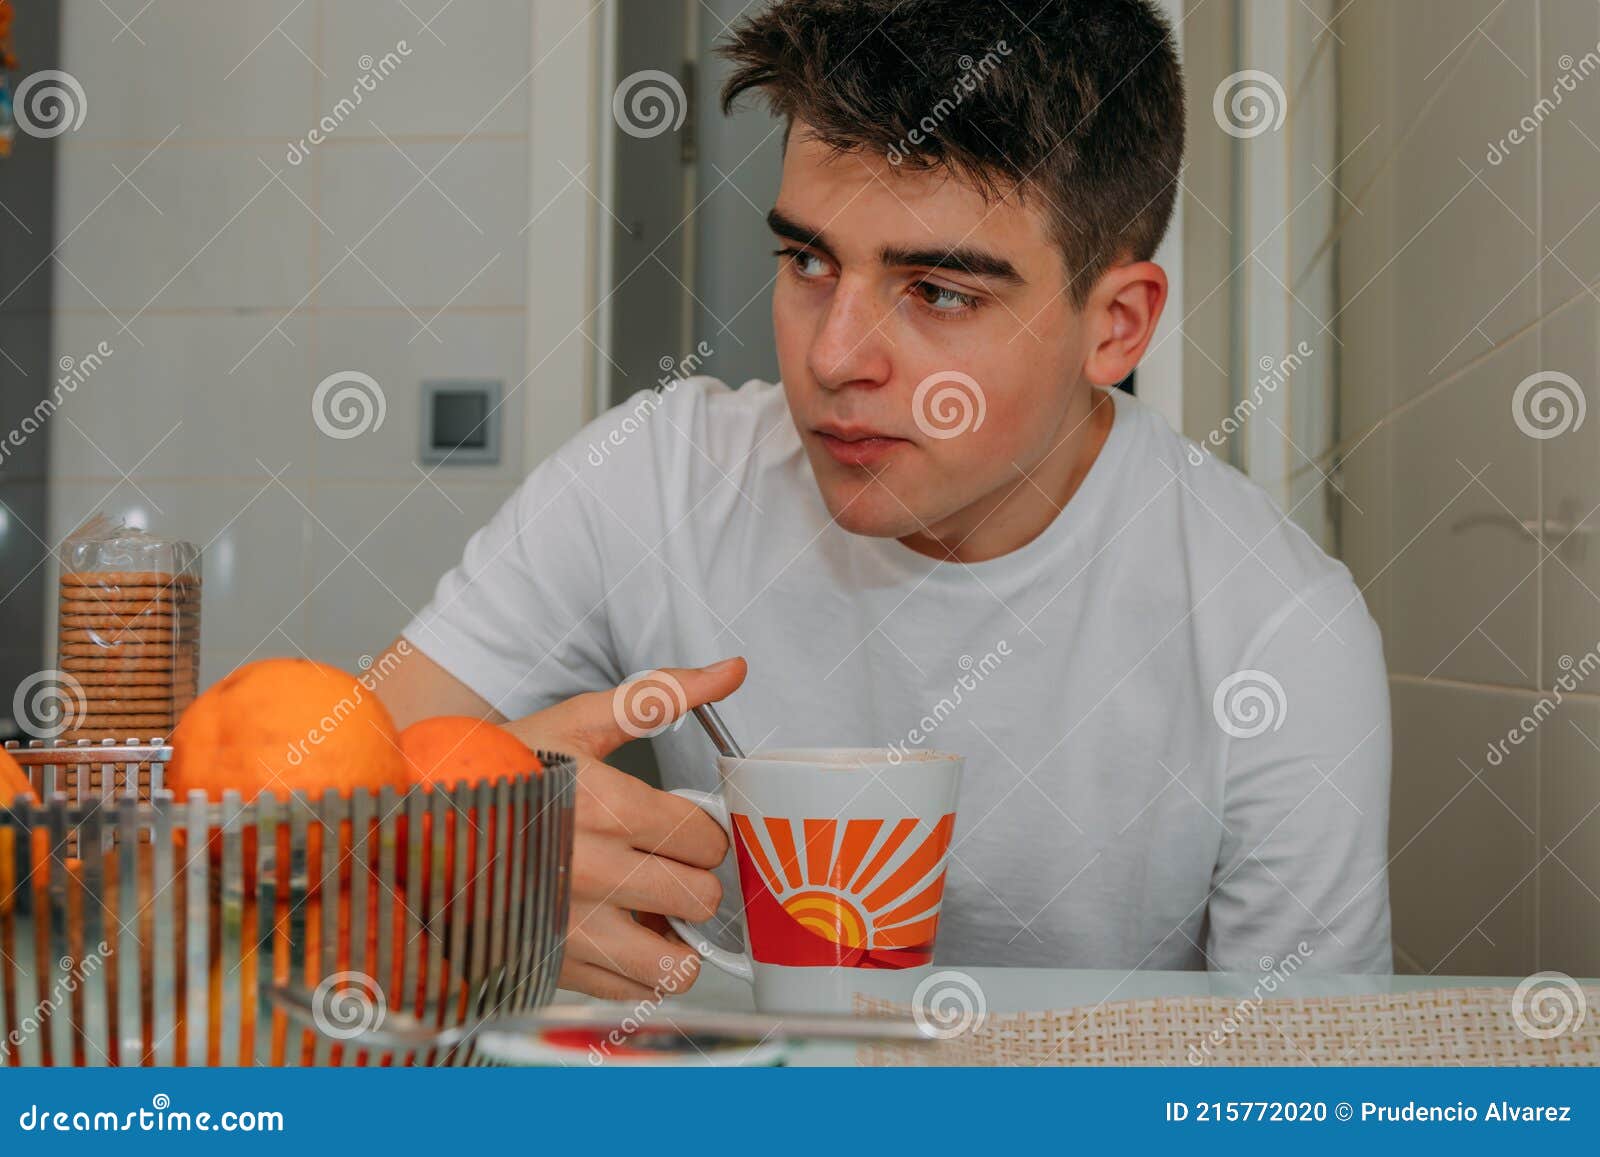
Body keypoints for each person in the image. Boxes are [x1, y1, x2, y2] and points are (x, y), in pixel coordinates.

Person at [378, 0, 1391, 999]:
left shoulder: (1275, 628)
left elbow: (1306, 1085)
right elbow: (312, 793)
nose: (832, 357)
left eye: (938, 291)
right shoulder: (653, 479)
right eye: (808, 262)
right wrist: (463, 851)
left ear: (1116, 326)